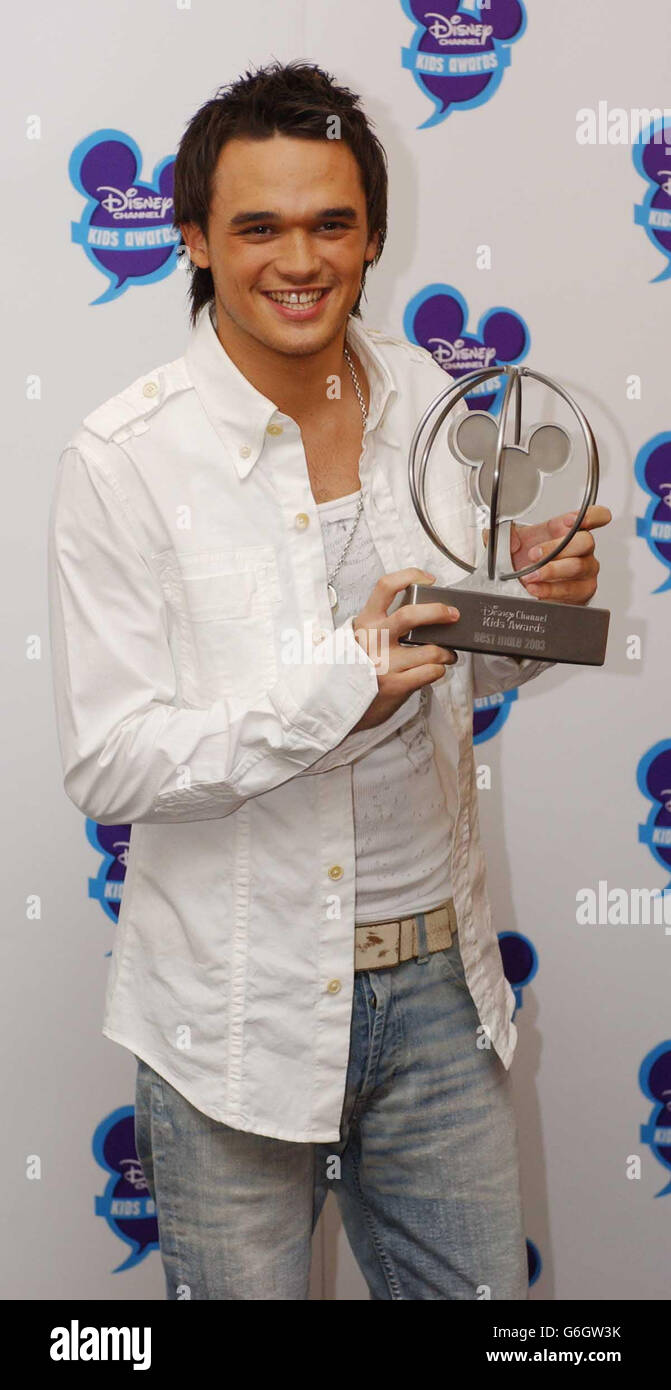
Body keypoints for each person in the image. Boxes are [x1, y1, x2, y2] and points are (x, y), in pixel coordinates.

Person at [47, 60, 610, 1300]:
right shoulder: (123, 459)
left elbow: (449, 659)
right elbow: (110, 758)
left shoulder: (437, 406)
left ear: (370, 238)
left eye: (329, 224)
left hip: (438, 992)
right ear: (192, 237)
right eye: (257, 226)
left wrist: (529, 607)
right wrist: (333, 681)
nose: (296, 260)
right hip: (230, 1014)